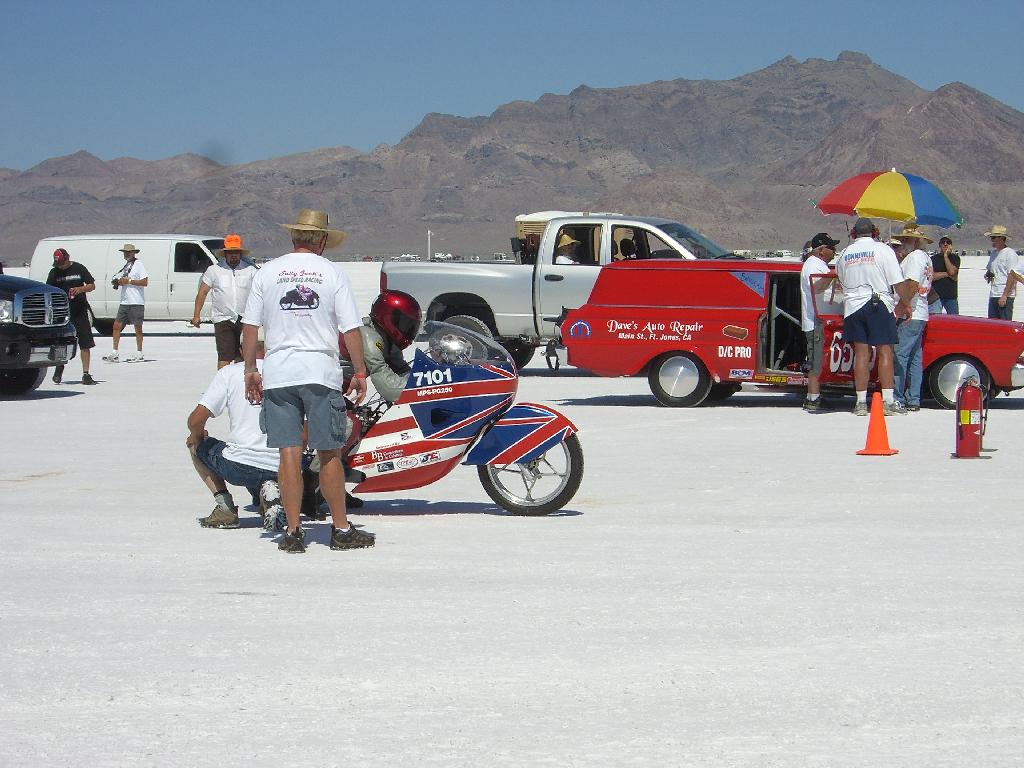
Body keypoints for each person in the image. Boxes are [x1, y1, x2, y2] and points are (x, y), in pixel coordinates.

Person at [241, 208, 370, 554]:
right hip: (319, 373)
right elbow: (351, 328)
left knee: (288, 452)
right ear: (323, 240)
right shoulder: (331, 272)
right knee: (328, 451)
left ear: (294, 237)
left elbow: (250, 328)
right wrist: (359, 371)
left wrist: (250, 369)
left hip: (280, 373)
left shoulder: (267, 272)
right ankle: (340, 529)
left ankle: (294, 530)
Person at [186, 333, 280, 529]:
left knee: (196, 443)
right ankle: (273, 491)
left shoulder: (230, 373)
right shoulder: (287, 372)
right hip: (285, 465)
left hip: (240, 466)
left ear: (241, 350)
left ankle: (225, 507)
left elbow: (196, 420)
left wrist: (197, 435)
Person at [834, 217, 915, 416]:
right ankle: (887, 401)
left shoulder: (844, 254)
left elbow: (841, 282)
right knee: (885, 351)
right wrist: (906, 304)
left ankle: (860, 402)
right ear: (874, 232)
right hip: (878, 304)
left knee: (861, 354)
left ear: (853, 234)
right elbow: (897, 281)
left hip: (853, 307)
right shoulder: (884, 250)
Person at [341, 289, 422, 403]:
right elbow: (388, 388)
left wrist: (428, 379)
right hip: (320, 391)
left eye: (412, 326)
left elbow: (401, 370)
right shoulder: (369, 336)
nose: (409, 330)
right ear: (388, 317)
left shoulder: (387, 339)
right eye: (405, 324)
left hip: (332, 392)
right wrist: (424, 389)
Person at [190, 233, 257, 368]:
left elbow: (260, 293)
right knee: (224, 356)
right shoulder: (214, 270)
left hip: (245, 319)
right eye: (230, 252)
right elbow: (202, 292)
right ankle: (222, 386)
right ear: (225, 254)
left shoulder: (250, 270)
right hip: (223, 318)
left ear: (240, 253)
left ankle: (240, 386)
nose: (234, 255)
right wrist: (196, 315)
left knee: (243, 356)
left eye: (236, 252)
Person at [892, 226, 934, 411]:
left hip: (912, 313)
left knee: (900, 355)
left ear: (916, 241)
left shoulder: (915, 257)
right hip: (921, 313)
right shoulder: (925, 258)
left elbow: (912, 284)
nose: (903, 243)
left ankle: (896, 396)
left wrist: (900, 309)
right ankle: (913, 398)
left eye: (906, 240)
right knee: (915, 357)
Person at [45, 247, 97, 385]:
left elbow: (92, 285)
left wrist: (81, 289)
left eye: (62, 263)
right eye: (58, 264)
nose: (60, 266)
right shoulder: (54, 272)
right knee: (61, 342)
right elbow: (48, 290)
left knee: (85, 343)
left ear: (67, 258)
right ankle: (59, 367)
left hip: (79, 311)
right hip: (63, 314)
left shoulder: (79, 268)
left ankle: (86, 374)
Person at [799, 233, 839, 411]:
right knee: (816, 359)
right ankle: (813, 398)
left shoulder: (820, 265)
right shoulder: (813, 266)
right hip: (816, 321)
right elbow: (816, 287)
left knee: (819, 358)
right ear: (821, 250)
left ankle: (813, 395)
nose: (834, 251)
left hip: (822, 320)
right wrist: (834, 275)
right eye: (832, 247)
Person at [103, 243, 148, 362]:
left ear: (134, 253)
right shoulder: (127, 266)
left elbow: (145, 282)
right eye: (125, 252)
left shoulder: (139, 265)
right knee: (116, 326)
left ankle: (139, 352)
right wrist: (119, 282)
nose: (126, 254)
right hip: (125, 301)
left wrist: (129, 281)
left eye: (128, 252)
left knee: (137, 328)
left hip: (136, 301)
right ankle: (115, 352)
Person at [987, 225, 1017, 319]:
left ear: (1001, 238)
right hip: (994, 294)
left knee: (1005, 326)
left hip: (1005, 297)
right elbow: (990, 269)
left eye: (993, 238)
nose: (992, 240)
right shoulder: (993, 253)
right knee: (992, 325)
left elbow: (1012, 276)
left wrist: (1005, 295)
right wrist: (988, 274)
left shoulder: (1010, 254)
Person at [930, 235, 960, 315]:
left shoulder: (955, 258)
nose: (945, 244)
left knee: (954, 320)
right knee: (935, 319)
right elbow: (931, 276)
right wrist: (946, 274)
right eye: (943, 242)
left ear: (951, 245)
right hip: (936, 296)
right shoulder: (933, 259)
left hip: (951, 296)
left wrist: (946, 256)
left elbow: (952, 272)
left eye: (948, 242)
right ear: (939, 245)